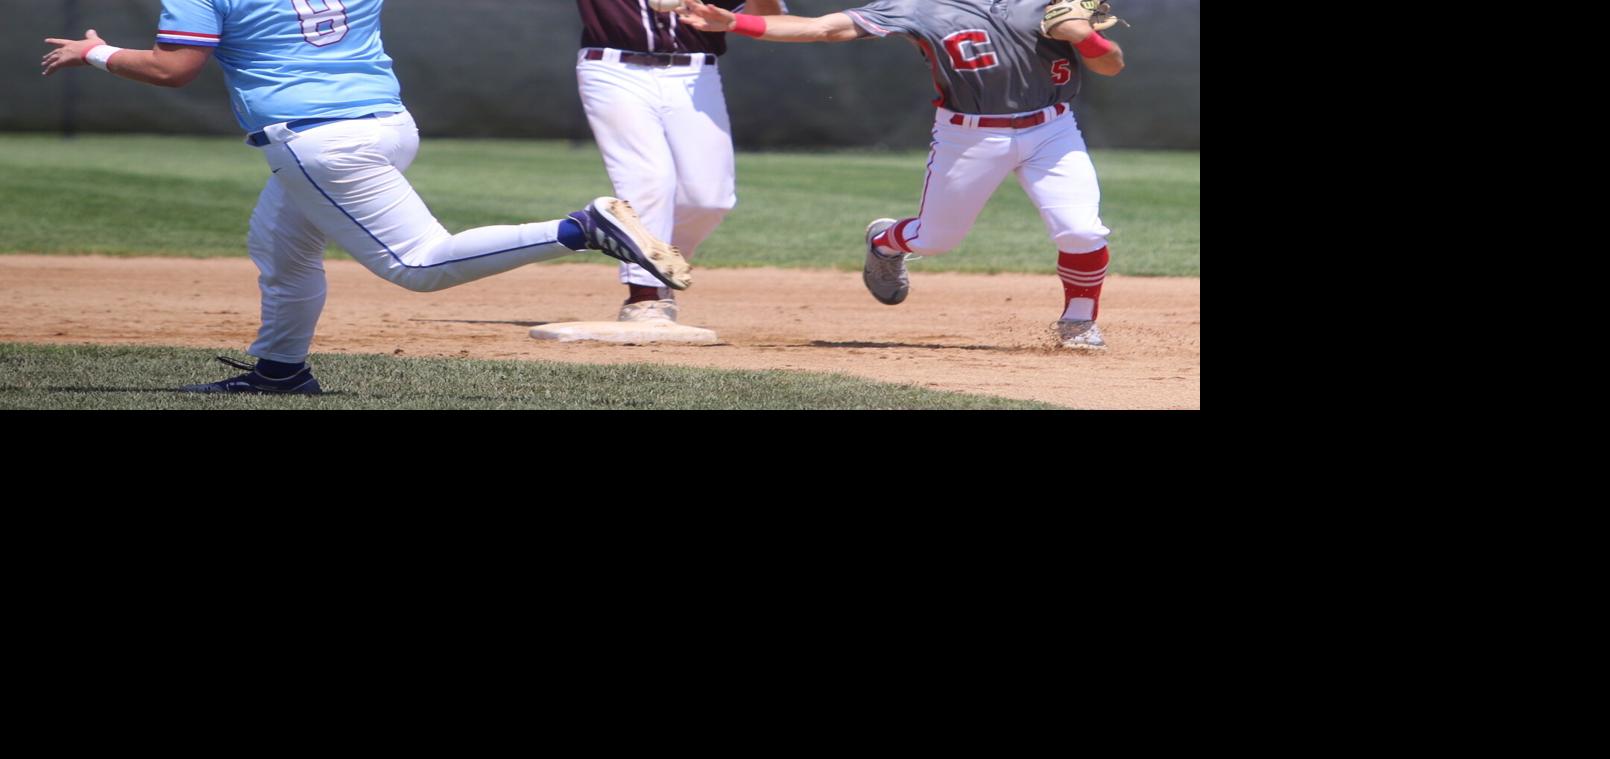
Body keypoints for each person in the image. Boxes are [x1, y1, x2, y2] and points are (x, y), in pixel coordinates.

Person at [41, 0, 691, 395]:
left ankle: (582, 228)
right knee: (280, 244)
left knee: (415, 263)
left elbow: (172, 68)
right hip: (387, 123)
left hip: (320, 140)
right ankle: (280, 372)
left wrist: (97, 53)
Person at [679, 0, 1125, 350]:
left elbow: (1112, 66)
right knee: (935, 240)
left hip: (1052, 128)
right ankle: (884, 241)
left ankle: (1078, 321)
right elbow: (824, 28)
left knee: (1081, 230)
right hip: (969, 137)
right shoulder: (917, 6)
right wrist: (737, 24)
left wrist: (1085, 38)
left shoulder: (1049, 2)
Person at [575, 0, 785, 324]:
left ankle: (662, 261)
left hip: (694, 73)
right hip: (613, 70)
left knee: (709, 199)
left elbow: (769, 18)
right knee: (649, 179)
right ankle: (646, 294)